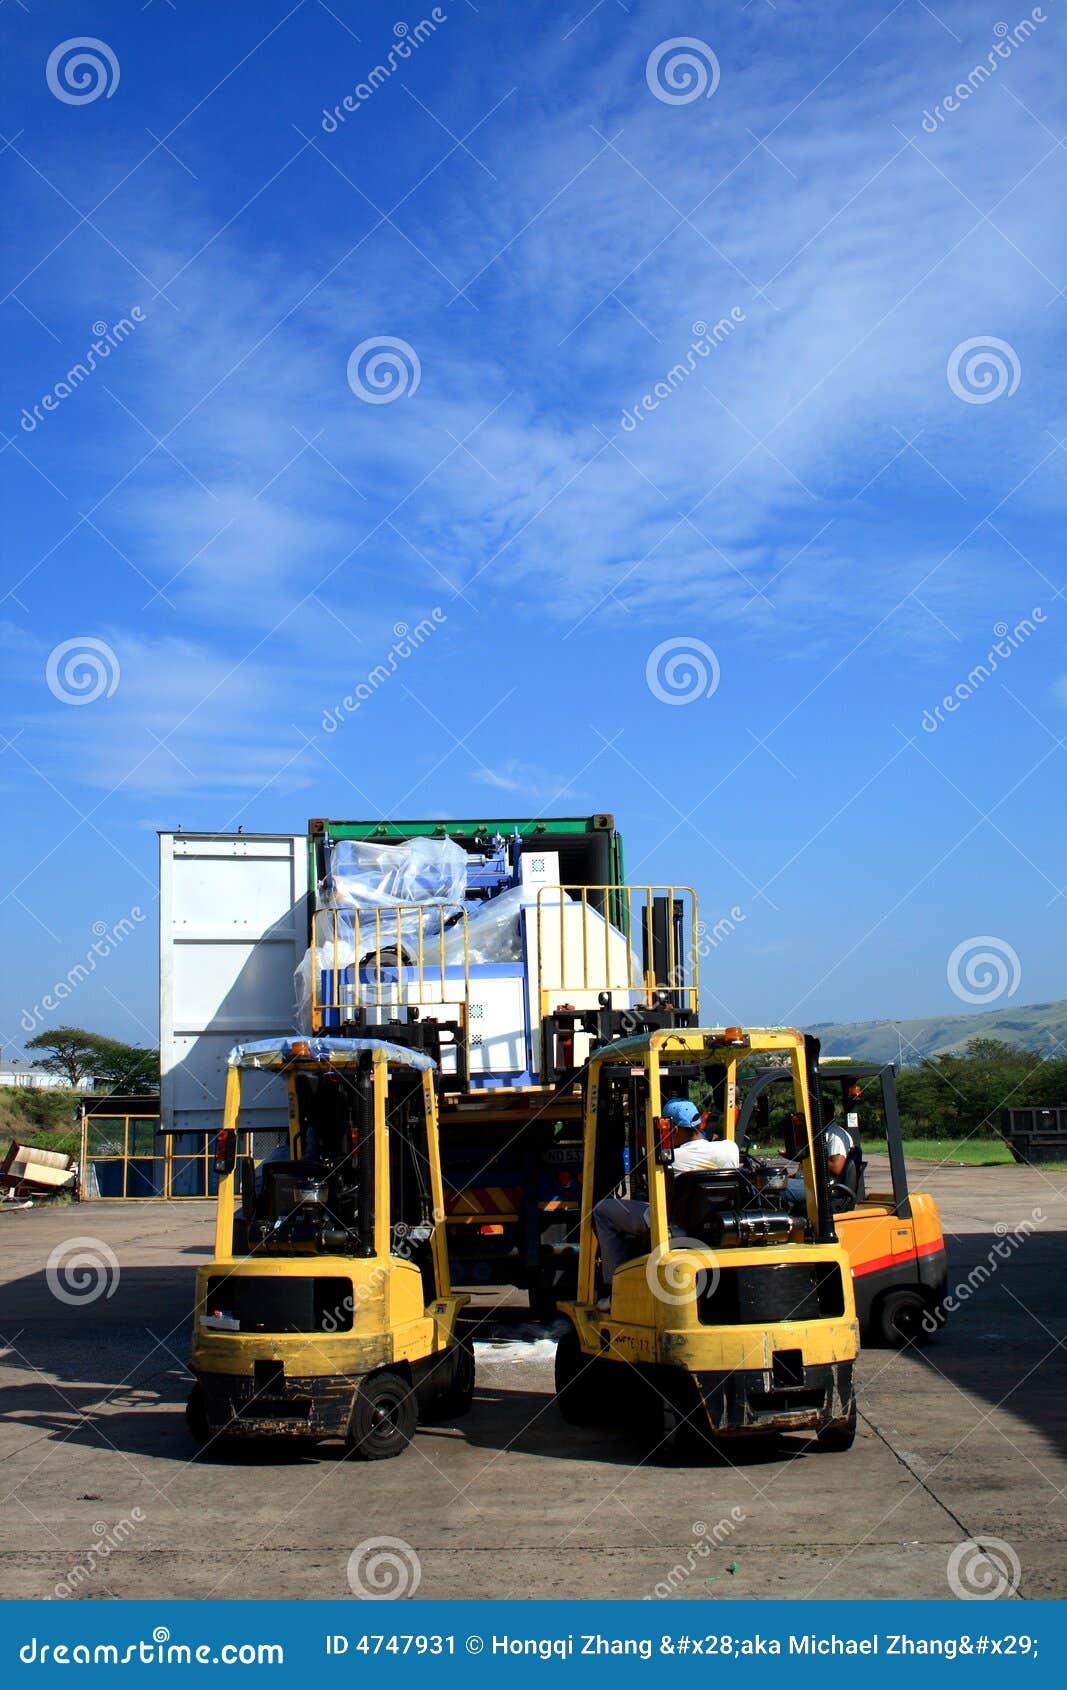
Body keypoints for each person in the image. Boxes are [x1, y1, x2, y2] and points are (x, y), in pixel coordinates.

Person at [593, 1098, 739, 1306]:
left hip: (673, 1223)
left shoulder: (668, 1159)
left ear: (674, 1128)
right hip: (717, 1222)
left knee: (603, 1211)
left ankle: (612, 1289)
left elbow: (651, 1185)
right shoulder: (729, 1149)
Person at [785, 1098, 855, 1212]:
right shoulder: (820, 1134)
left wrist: (809, 1155)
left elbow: (836, 1167)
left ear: (823, 1114)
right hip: (809, 1182)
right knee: (775, 1182)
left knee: (777, 1188)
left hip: (822, 1186)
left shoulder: (835, 1135)